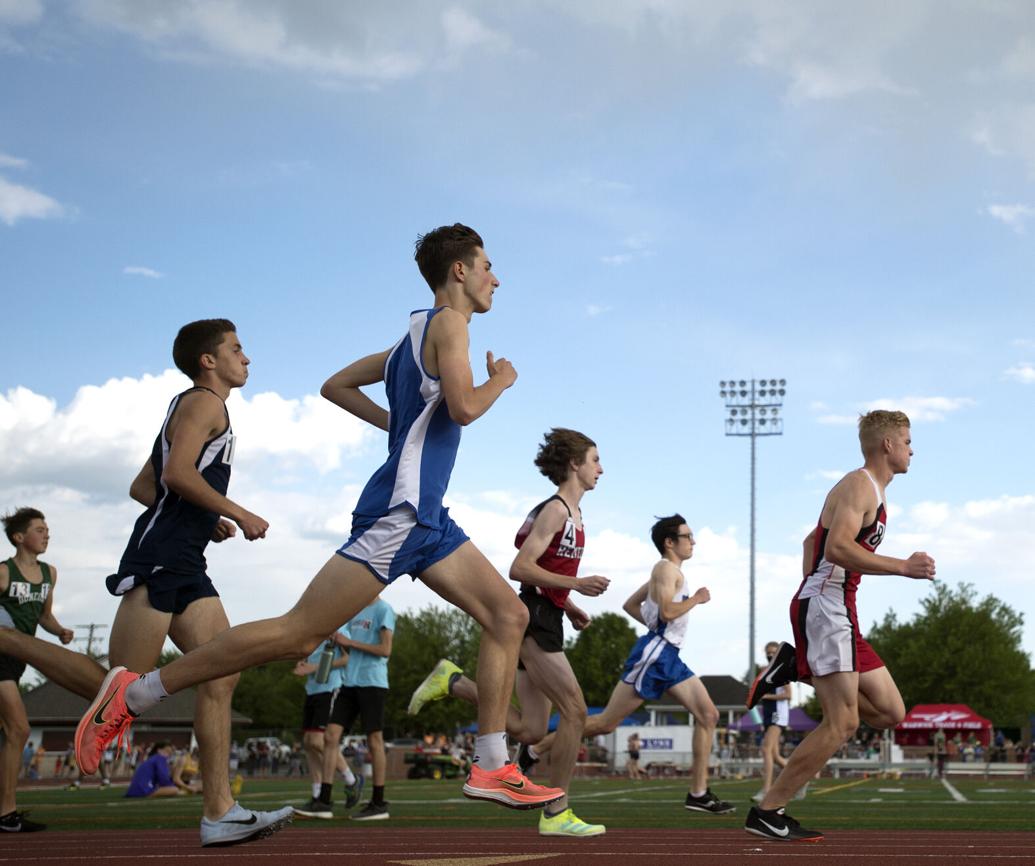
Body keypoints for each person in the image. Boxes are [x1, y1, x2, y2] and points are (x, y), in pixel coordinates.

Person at [76, 224, 563, 811]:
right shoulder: (451, 325)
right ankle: (138, 694)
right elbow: (462, 407)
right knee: (299, 633)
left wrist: (401, 427)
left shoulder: (413, 333)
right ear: (459, 270)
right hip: (401, 513)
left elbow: (335, 385)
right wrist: (501, 382)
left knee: (507, 614)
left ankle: (491, 764)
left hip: (428, 518)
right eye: (487, 264)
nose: (495, 277)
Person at [75, 320, 293, 846]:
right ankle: (19, 648)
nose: (248, 357)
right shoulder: (203, 403)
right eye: (237, 349)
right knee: (120, 682)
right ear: (208, 360)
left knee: (221, 675)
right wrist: (237, 512)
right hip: (160, 555)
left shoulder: (194, 408)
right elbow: (174, 478)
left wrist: (204, 516)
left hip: (187, 558)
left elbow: (144, 484)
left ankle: (219, 812)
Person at [742, 410, 936, 842]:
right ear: (886, 444)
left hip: (835, 606)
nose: (910, 448)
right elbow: (837, 547)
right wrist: (902, 566)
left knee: (890, 712)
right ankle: (769, 811)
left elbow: (812, 542)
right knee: (842, 723)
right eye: (906, 440)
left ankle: (793, 667)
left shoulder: (874, 493)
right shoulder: (858, 484)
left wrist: (810, 594)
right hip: (828, 606)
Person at [408, 429, 609, 837]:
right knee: (575, 711)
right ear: (575, 464)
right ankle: (558, 811)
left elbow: (542, 575)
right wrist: (575, 586)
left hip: (547, 614)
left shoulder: (576, 515)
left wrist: (568, 606)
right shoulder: (556, 511)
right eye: (595, 460)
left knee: (531, 730)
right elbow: (520, 568)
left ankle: (455, 681)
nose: (600, 469)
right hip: (533, 619)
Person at [529, 515, 734, 816]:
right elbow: (665, 611)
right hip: (655, 654)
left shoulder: (668, 572)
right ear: (669, 542)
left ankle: (699, 793)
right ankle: (534, 751)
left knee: (709, 714)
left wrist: (656, 624)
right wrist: (697, 600)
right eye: (688, 536)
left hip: (668, 654)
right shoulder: (665, 569)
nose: (693, 542)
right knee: (605, 723)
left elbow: (630, 605)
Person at [0, 507, 75, 832]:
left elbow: (43, 615)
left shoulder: (50, 573)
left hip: (19, 661)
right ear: (19, 537)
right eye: (39, 529)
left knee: (12, 731)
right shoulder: (4, 572)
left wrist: (58, 630)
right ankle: (6, 814)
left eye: (47, 529)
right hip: (1, 654)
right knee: (18, 729)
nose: (47, 533)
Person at [312, 599, 395, 821]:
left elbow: (385, 650)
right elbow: (346, 641)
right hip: (350, 683)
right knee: (330, 737)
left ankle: (378, 803)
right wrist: (338, 640)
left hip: (373, 683)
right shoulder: (355, 610)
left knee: (374, 740)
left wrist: (351, 643)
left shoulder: (383, 610)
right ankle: (324, 801)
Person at [292, 624, 363, 818]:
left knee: (317, 740)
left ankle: (351, 779)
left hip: (330, 688)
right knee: (308, 743)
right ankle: (316, 796)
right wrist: (303, 661)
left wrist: (313, 667)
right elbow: (310, 654)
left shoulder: (340, 627)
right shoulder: (315, 627)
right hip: (312, 689)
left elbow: (348, 659)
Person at [752, 642, 791, 803]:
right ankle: (802, 779)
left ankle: (767, 789)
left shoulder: (782, 671)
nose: (770, 655)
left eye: (773, 652)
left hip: (778, 714)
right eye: (768, 652)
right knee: (774, 755)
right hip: (768, 714)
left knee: (766, 749)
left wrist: (766, 697)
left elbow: (788, 695)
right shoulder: (764, 671)